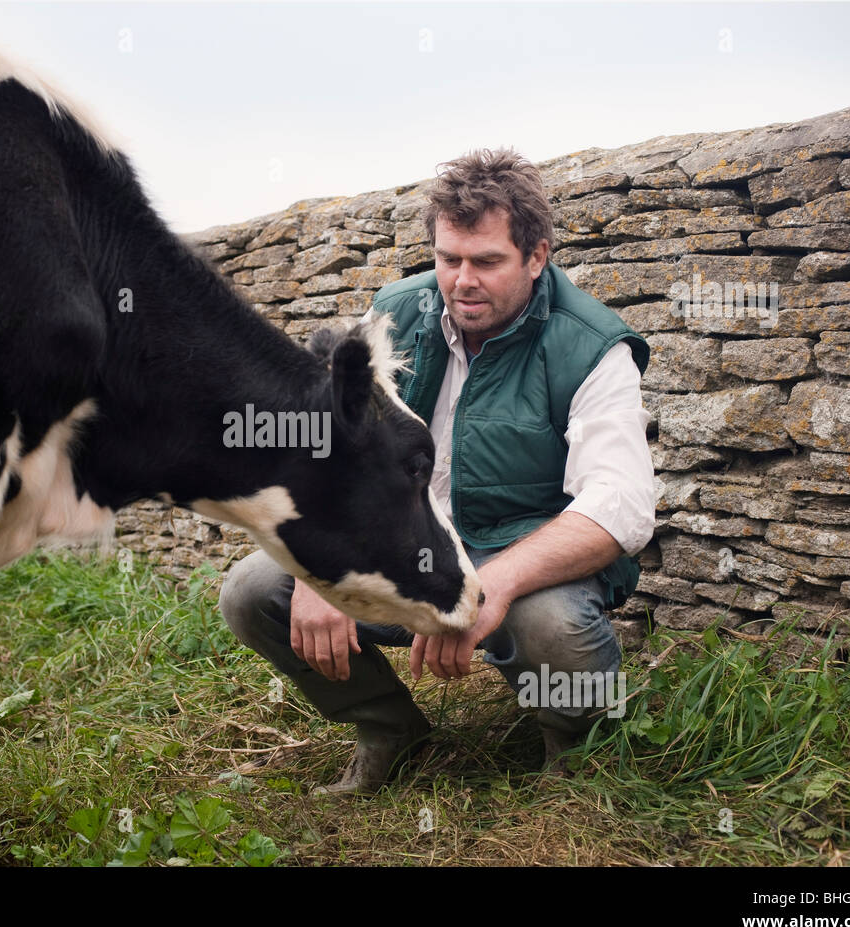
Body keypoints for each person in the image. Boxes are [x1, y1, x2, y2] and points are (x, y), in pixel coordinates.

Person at [219, 148, 655, 793]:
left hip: (519, 554)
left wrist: (491, 585)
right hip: (406, 545)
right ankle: (389, 729)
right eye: (448, 259)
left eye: (487, 261)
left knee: (552, 626)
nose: (462, 281)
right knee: (256, 591)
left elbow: (620, 506)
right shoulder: (395, 314)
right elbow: (328, 444)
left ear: (537, 257)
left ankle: (577, 749)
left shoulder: (591, 346)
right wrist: (317, 565)